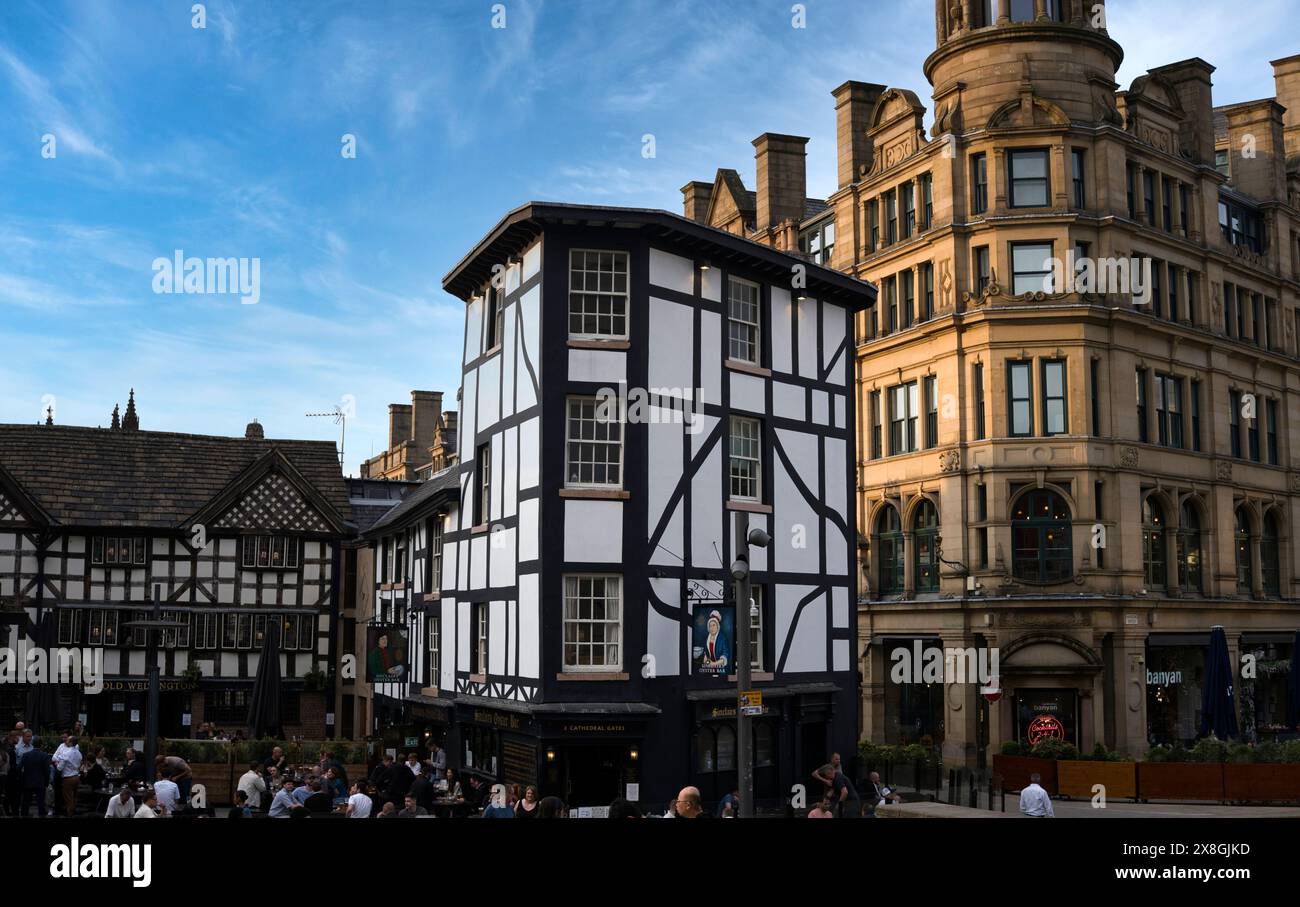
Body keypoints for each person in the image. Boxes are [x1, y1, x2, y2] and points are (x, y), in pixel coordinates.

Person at [18, 737, 52, 818]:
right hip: (40, 783)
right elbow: (47, 772)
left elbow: (19, 768)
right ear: (41, 745)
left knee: (25, 804)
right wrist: (46, 783)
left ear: (32, 744)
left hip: (27, 782)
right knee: (41, 804)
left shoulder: (26, 755)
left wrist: (22, 779)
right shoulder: (45, 756)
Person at [53, 734, 82, 817]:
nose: (66, 741)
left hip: (68, 778)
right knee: (74, 798)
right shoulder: (79, 753)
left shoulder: (67, 753)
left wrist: (57, 763)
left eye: (68, 740)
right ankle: (72, 812)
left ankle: (70, 814)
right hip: (76, 777)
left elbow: (59, 768)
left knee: (68, 799)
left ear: (71, 742)